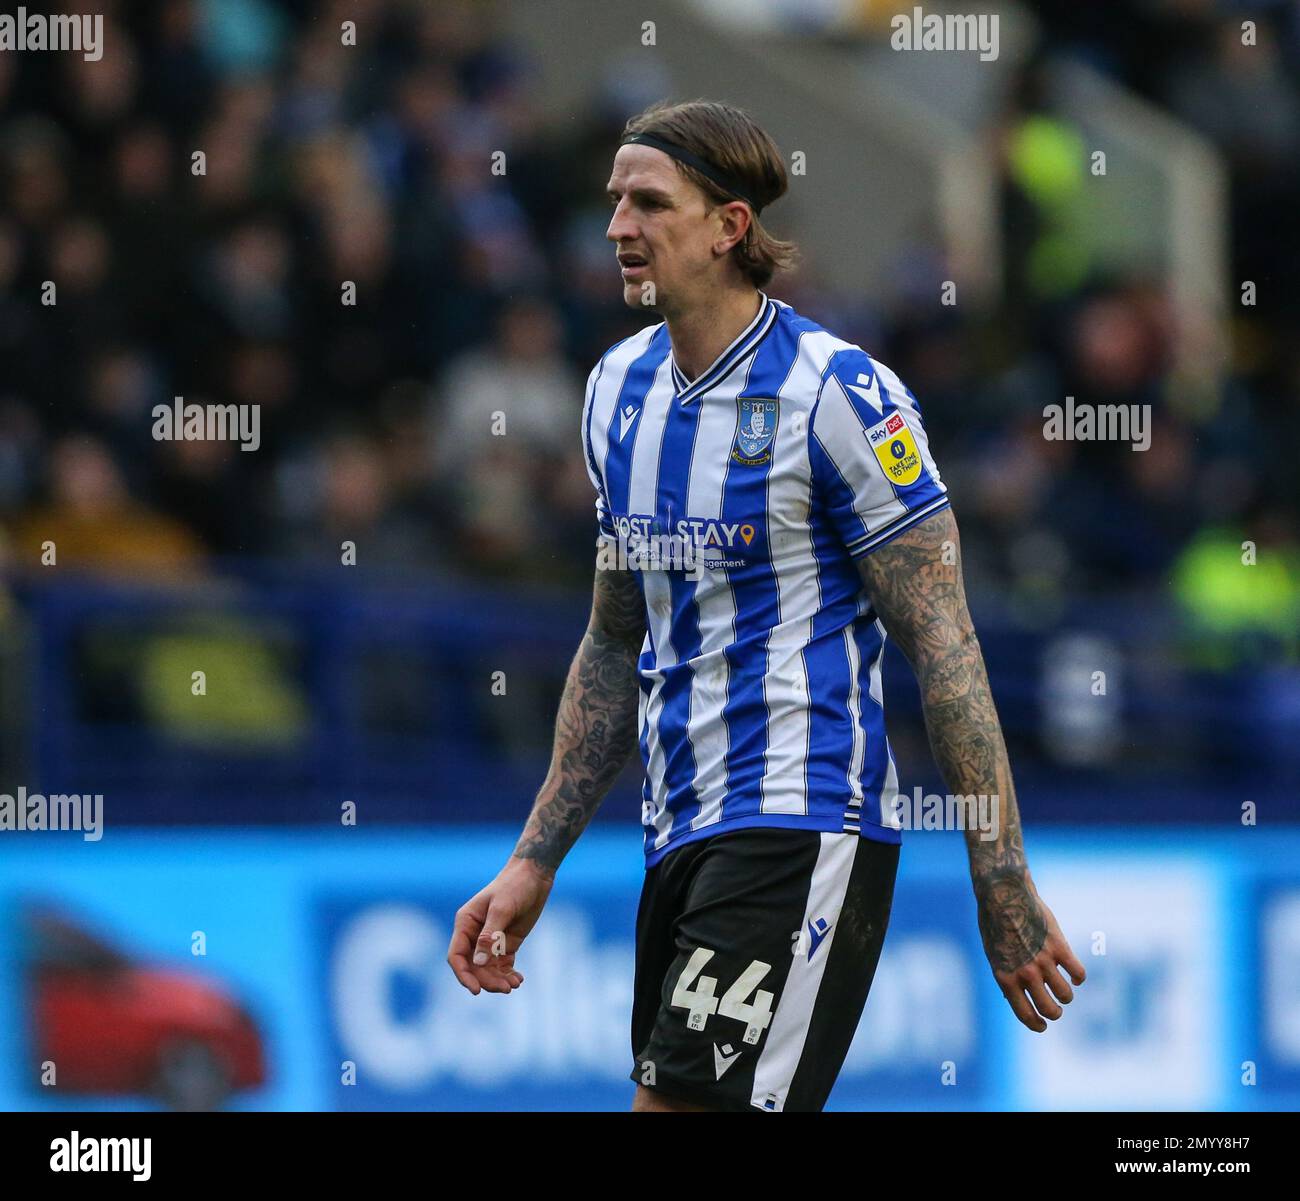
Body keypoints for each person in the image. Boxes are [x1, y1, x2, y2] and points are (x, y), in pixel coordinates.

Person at [448, 99, 1085, 1112]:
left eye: (649, 203)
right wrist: (534, 859)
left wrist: (998, 876)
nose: (617, 226)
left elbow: (943, 642)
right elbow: (615, 640)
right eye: (615, 201)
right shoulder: (615, 391)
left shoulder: (841, 394)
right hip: (680, 831)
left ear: (727, 226)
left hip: (802, 815)